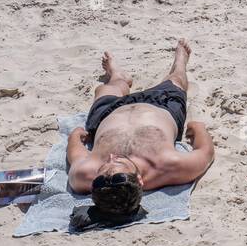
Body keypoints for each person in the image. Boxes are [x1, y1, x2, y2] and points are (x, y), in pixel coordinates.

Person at [66, 39, 215, 216]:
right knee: (176, 80)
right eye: (118, 162)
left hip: (107, 114)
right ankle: (180, 61)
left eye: (103, 167)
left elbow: (76, 154)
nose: (111, 158)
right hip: (161, 105)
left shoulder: (83, 176)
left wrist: (74, 137)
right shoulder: (171, 166)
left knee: (106, 89)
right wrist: (198, 128)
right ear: (139, 180)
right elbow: (206, 152)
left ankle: (117, 75)